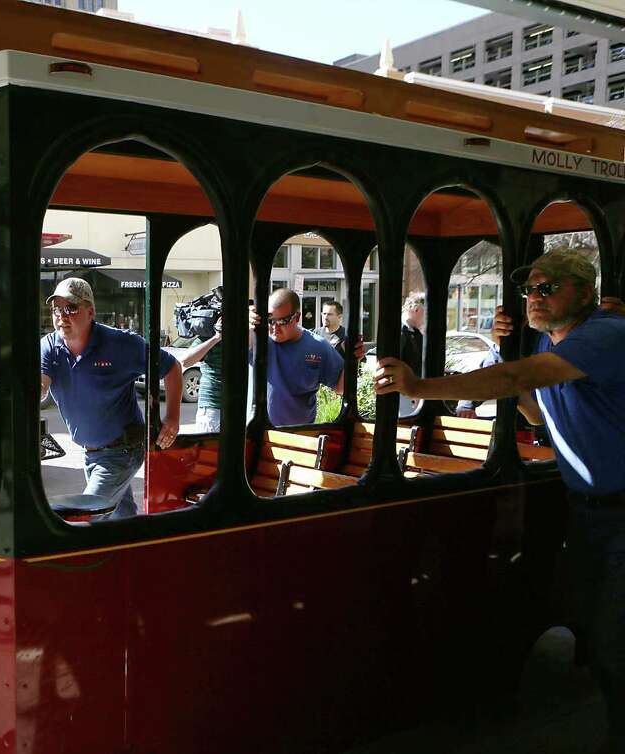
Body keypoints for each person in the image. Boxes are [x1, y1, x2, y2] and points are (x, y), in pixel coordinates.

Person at [374, 248, 625, 752]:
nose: (533, 297)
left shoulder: (605, 335)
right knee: (601, 635)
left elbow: (514, 382)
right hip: (589, 512)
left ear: (584, 291)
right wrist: (514, 359)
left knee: (614, 638)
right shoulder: (550, 345)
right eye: (530, 289)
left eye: (547, 288)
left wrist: (422, 386)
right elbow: (535, 416)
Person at [40, 278, 180, 518]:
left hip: (122, 450)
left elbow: (172, 367)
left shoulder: (121, 344)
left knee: (83, 516)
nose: (62, 316)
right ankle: (136, 554)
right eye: (57, 309)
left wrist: (173, 418)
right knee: (120, 520)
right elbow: (40, 385)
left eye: (70, 308)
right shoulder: (50, 346)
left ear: (90, 311)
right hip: (90, 452)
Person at [246, 288, 363, 426]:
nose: (275, 328)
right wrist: (245, 323)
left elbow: (340, 387)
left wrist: (353, 359)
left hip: (300, 436)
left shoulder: (317, 346)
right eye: (270, 320)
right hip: (258, 433)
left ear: (297, 317)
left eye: (283, 321)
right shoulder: (258, 338)